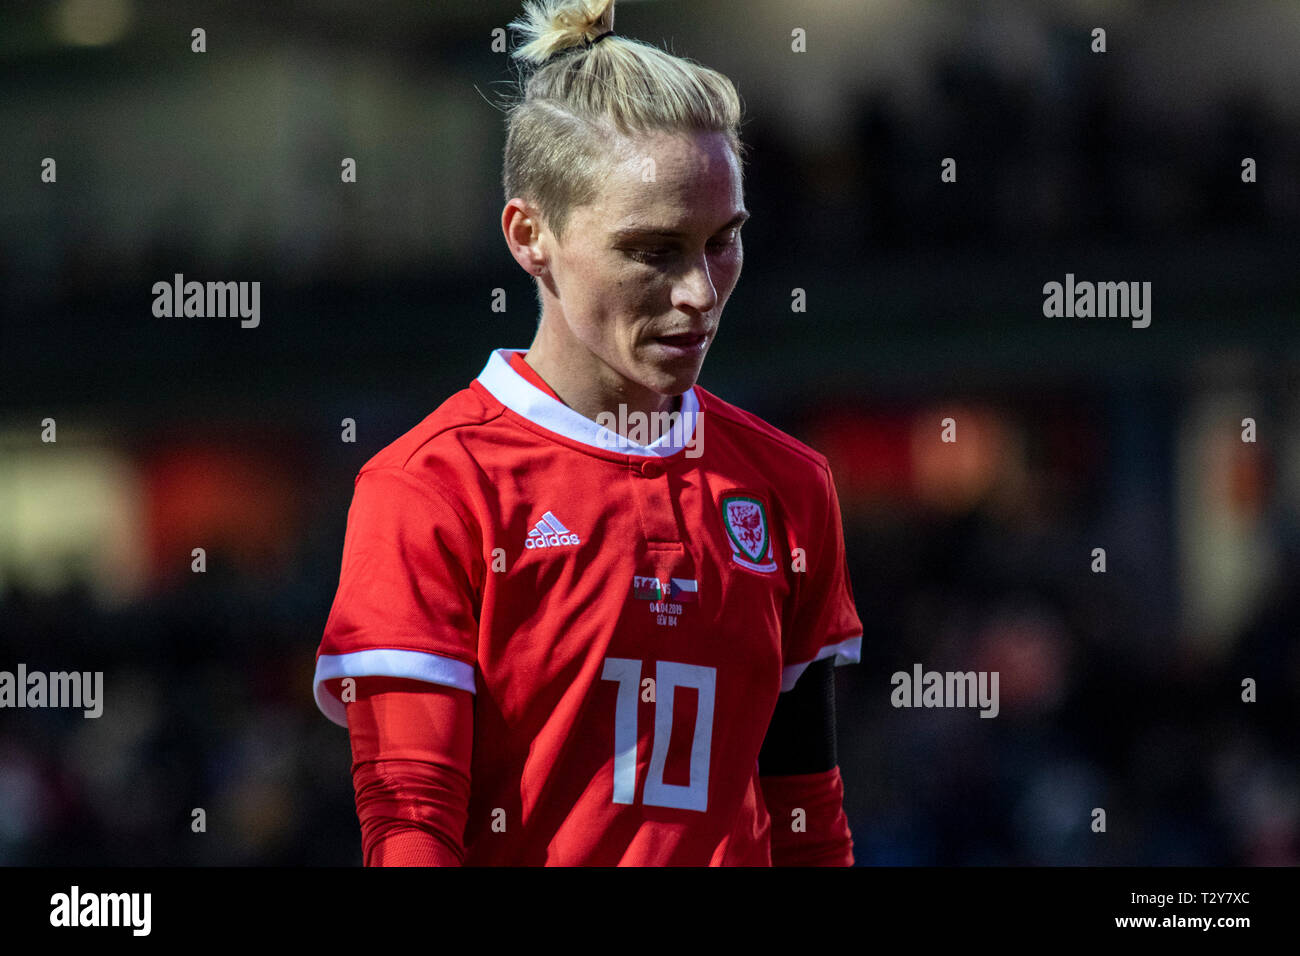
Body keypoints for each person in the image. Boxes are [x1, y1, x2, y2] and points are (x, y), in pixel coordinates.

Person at [312, 0, 863, 865]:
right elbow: (409, 825)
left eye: (723, 242)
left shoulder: (789, 488)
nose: (699, 293)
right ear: (531, 236)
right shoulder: (427, 490)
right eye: (653, 250)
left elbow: (807, 814)